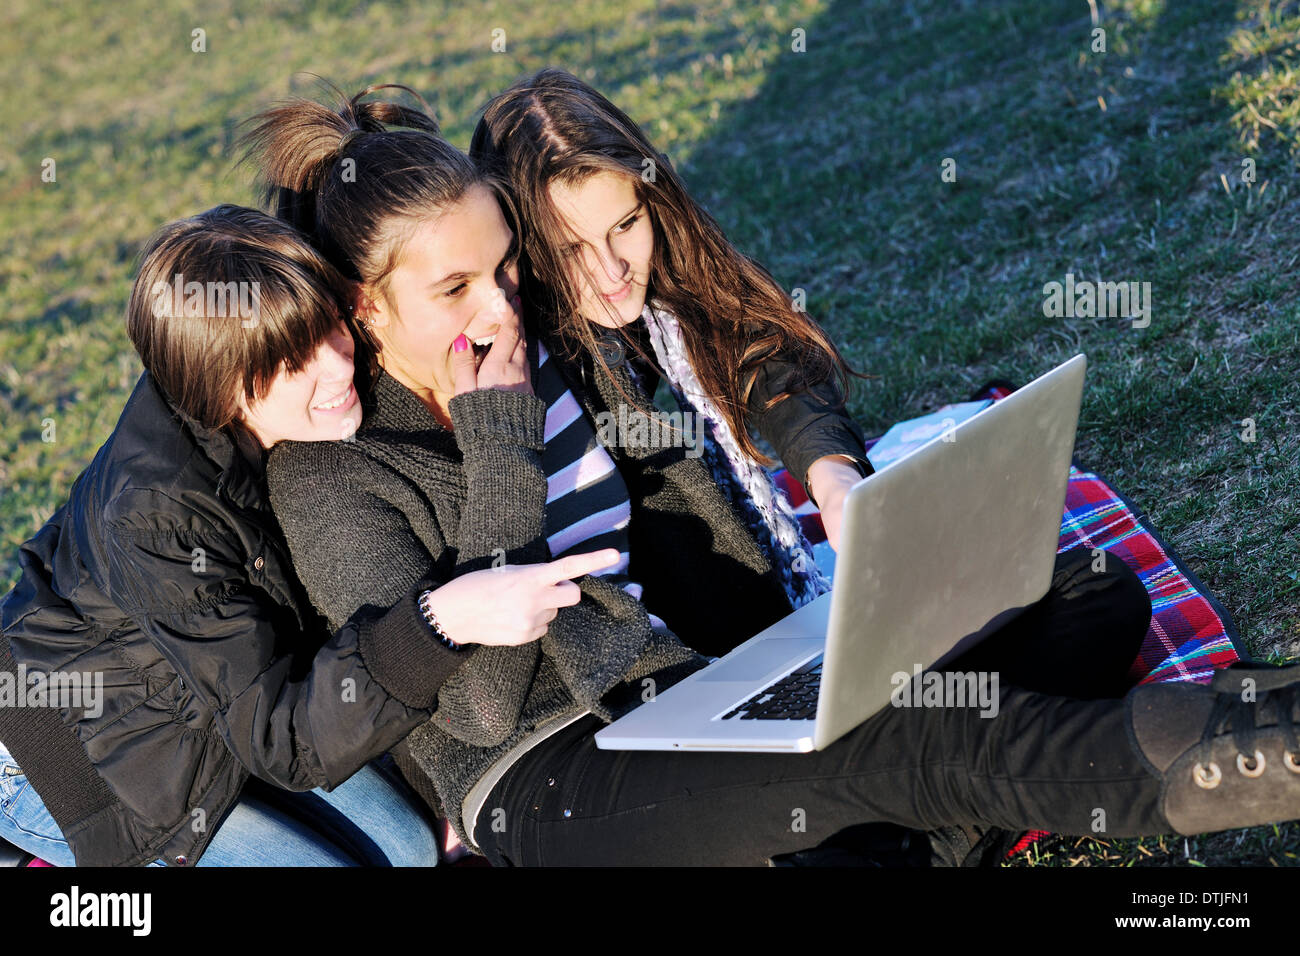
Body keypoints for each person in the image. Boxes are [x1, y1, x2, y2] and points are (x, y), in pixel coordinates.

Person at [244, 82, 1300, 866]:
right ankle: (1229, 769)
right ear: (365, 307)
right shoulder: (330, 473)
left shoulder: (544, 354)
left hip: (680, 687)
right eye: (457, 286)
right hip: (547, 771)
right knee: (905, 742)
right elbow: (476, 708)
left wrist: (827, 481)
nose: (501, 305)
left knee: (1086, 600)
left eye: (507, 268)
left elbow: (737, 342)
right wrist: (497, 441)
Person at [0, 205, 596, 866]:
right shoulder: (157, 516)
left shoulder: (255, 393)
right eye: (292, 361)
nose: (338, 367)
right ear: (225, 389)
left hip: (209, 700)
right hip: (72, 758)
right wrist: (439, 620)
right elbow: (282, 740)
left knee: (411, 845)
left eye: (329, 327)